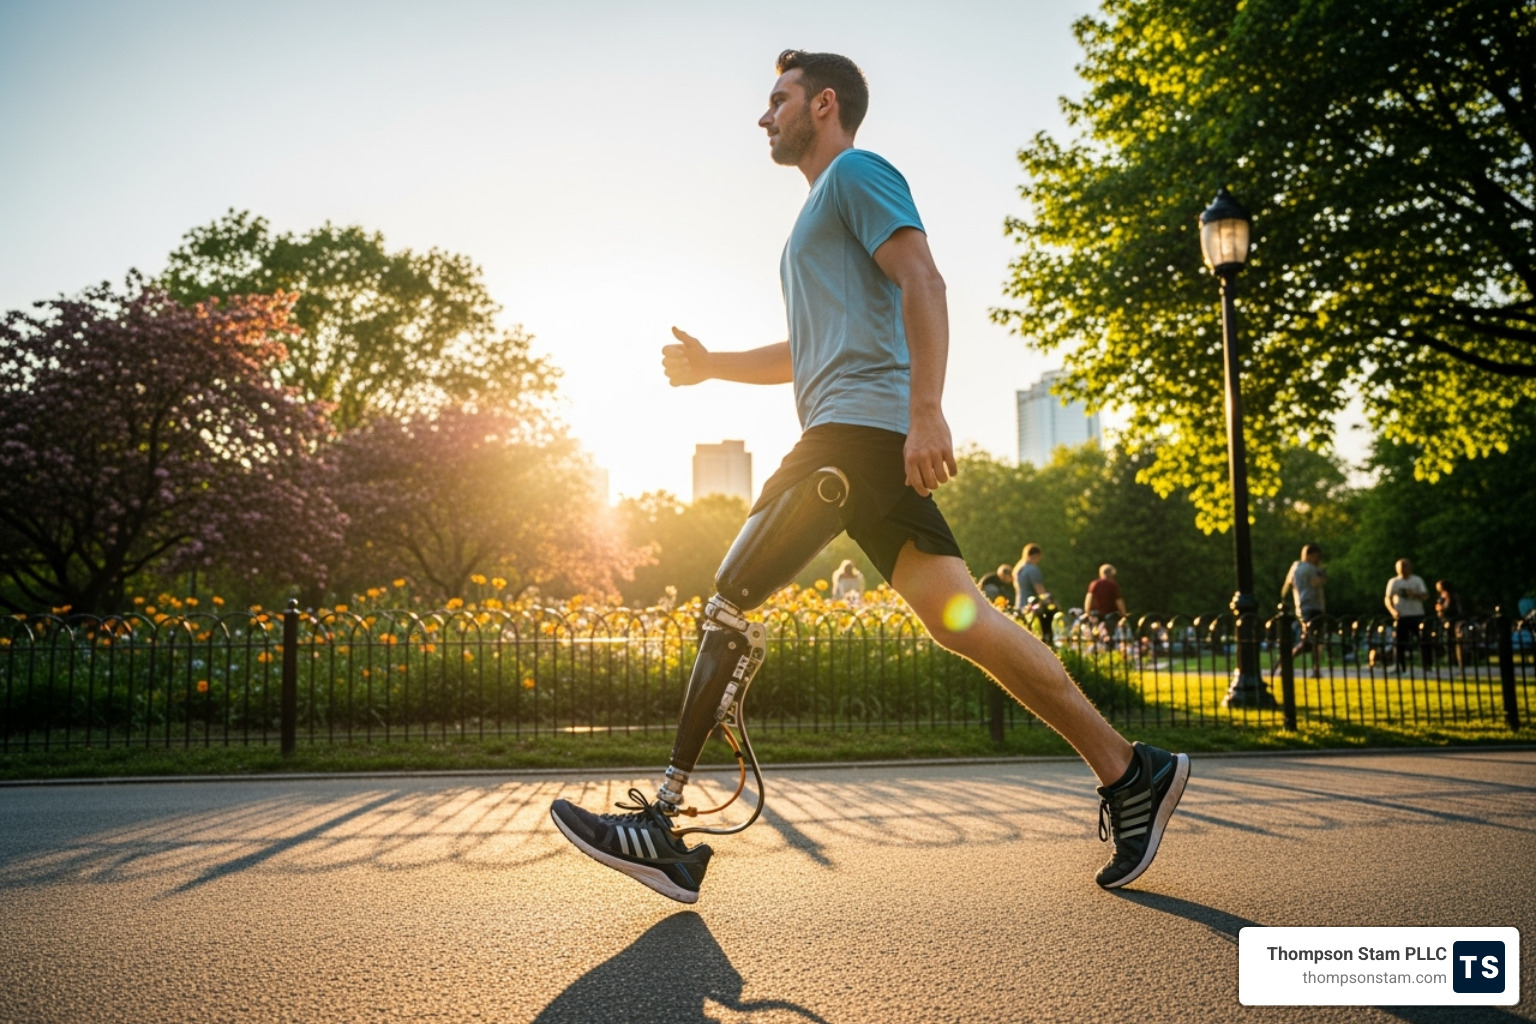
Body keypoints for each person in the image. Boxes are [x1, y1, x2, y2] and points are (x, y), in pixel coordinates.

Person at [548, 49, 1189, 903]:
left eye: (775, 99)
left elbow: (923, 277)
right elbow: (804, 351)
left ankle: (662, 825)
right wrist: (711, 367)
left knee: (731, 592)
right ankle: (1129, 771)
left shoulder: (855, 172)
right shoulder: (817, 213)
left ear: (822, 104)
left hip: (857, 436)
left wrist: (929, 409)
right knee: (962, 622)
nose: (762, 115)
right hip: (860, 436)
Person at [1278, 543, 1327, 677]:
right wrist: (1323, 577)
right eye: (1317, 557)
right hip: (1313, 607)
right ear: (1310, 555)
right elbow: (1316, 583)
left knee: (1313, 640)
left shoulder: (1295, 568)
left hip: (1302, 607)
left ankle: (1315, 669)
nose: (1318, 560)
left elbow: (1286, 587)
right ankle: (1285, 661)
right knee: (1311, 641)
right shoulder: (1311, 569)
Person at [1384, 558, 1431, 671]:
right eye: (1401, 567)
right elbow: (1387, 598)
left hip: (1417, 614)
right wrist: (1392, 610)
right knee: (1400, 642)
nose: (1403, 570)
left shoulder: (1417, 580)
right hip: (1402, 615)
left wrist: (1413, 594)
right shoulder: (1394, 582)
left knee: (1423, 640)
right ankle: (1400, 665)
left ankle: (1427, 665)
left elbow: (1425, 596)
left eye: (1405, 567)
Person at [1435, 580, 1465, 668]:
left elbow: (1445, 607)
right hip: (1449, 620)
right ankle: (1454, 661)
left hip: (1451, 620)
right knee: (1452, 641)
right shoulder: (1447, 595)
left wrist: (1441, 609)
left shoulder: (1447, 595)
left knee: (1451, 641)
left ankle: (1454, 661)